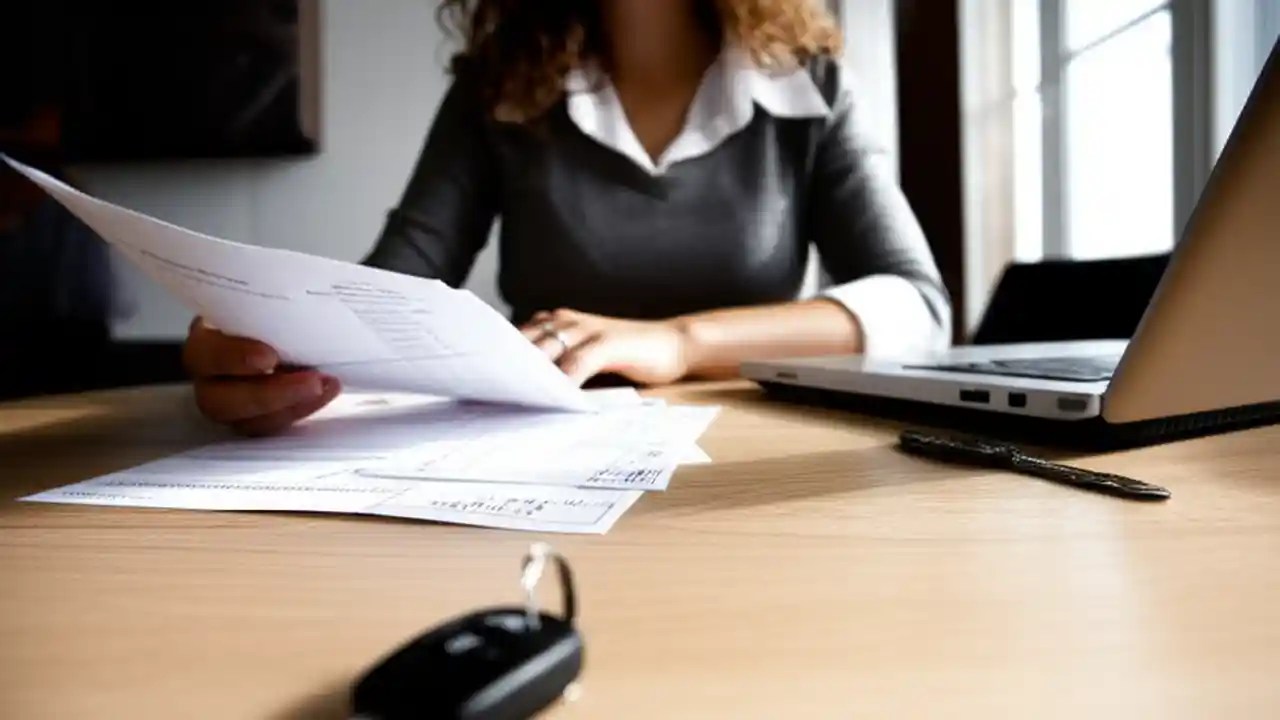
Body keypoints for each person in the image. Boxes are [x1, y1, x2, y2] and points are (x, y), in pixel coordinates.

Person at [184, 0, 952, 436]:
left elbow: (918, 306)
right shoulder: (498, 91)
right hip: (541, 453)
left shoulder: (808, 87)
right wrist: (271, 336)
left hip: (759, 450)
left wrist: (683, 342)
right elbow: (391, 291)